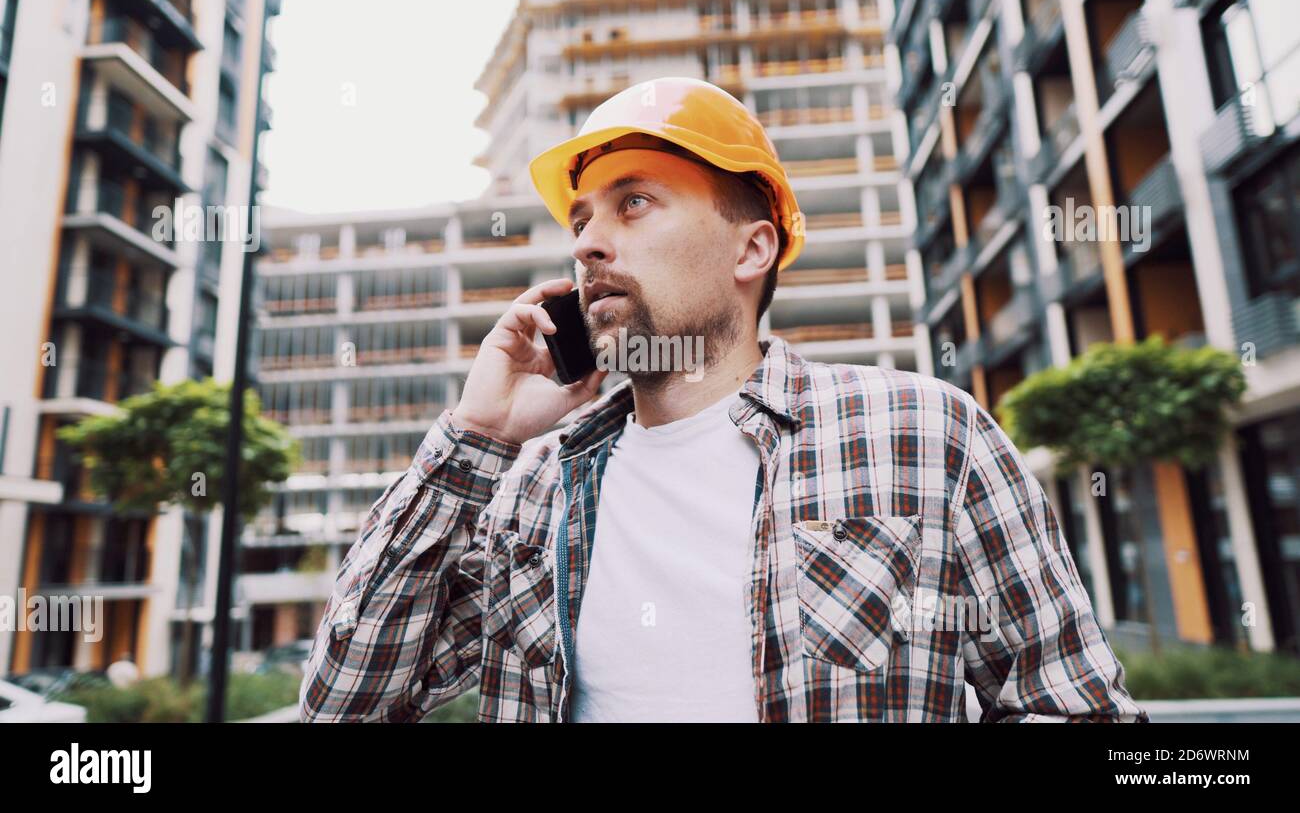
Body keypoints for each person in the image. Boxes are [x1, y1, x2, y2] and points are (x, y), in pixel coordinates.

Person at [300, 77, 1147, 723]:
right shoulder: (533, 487)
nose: (589, 241)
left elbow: (1073, 705)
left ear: (753, 249)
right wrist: (475, 435)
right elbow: (346, 701)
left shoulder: (927, 439)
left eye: (635, 203)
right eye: (583, 218)